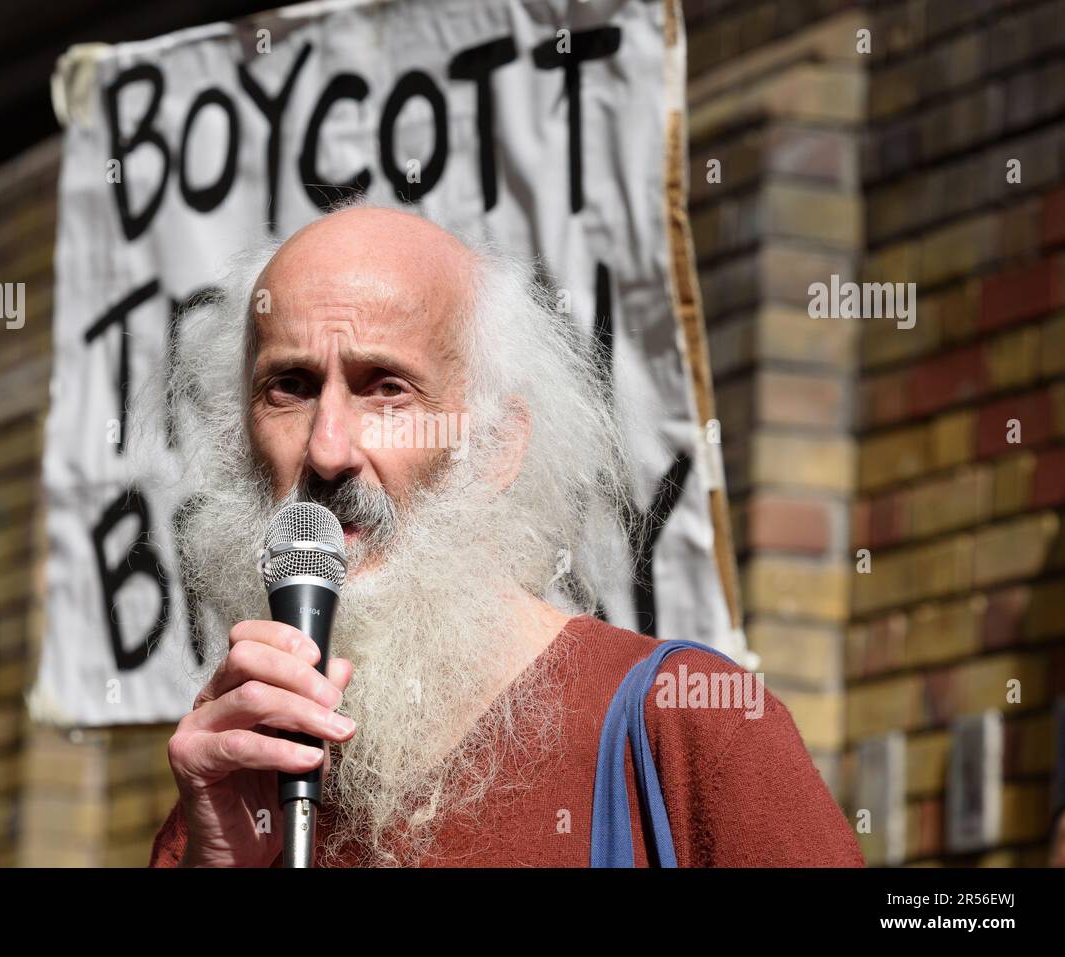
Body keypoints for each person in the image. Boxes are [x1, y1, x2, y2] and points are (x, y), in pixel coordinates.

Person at [148, 199, 865, 867]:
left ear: (496, 445)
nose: (328, 448)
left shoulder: (689, 724)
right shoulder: (228, 784)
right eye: (291, 387)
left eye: (387, 387)